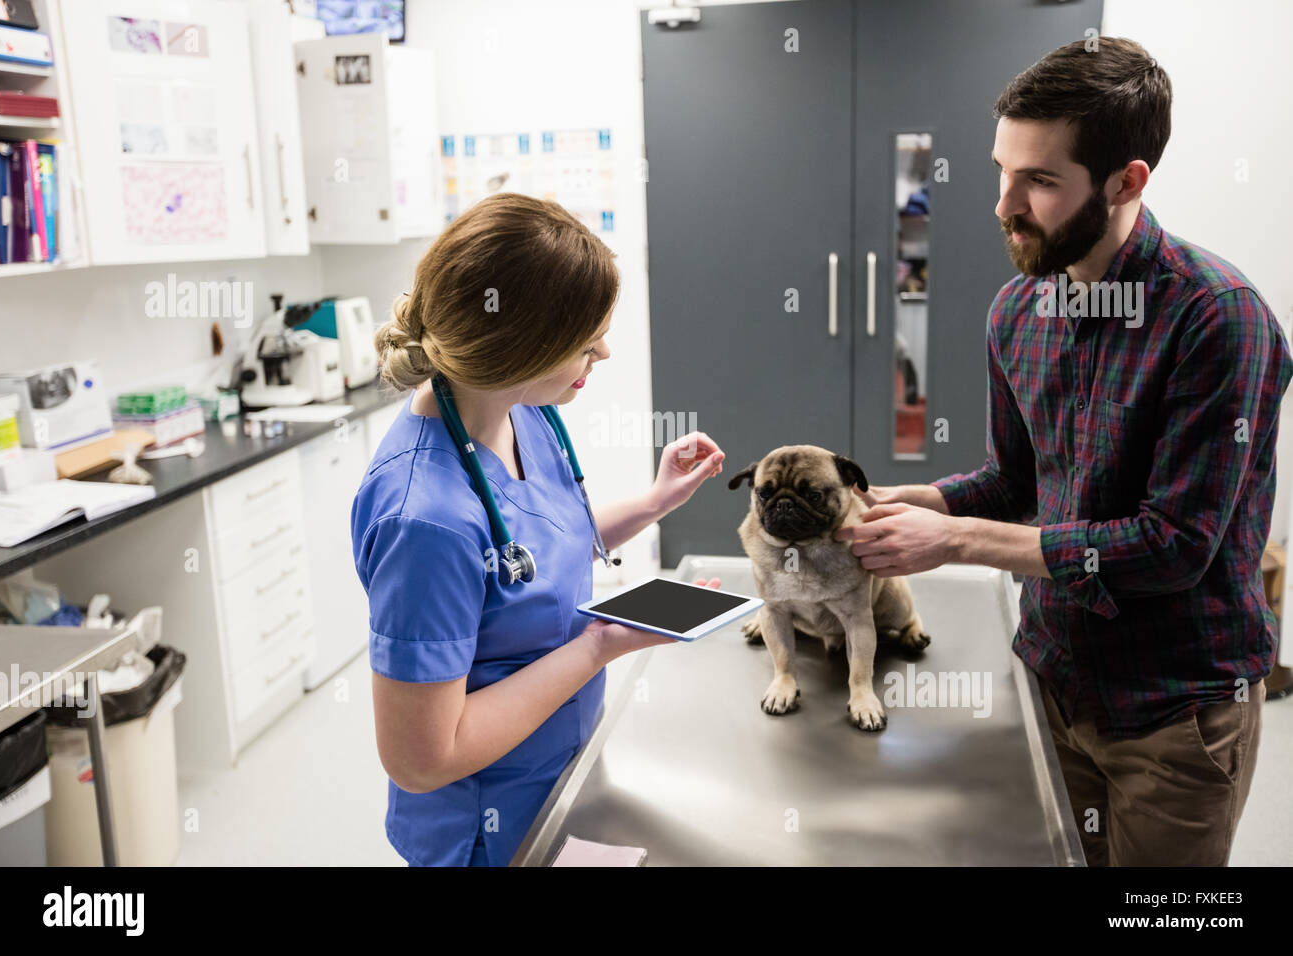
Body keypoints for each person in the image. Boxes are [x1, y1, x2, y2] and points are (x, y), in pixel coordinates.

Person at [834, 37, 1293, 866]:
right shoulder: (1017, 311)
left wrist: (960, 542)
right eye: (1001, 170)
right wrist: (924, 502)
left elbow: (1173, 548)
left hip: (1176, 712)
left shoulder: (1219, 320)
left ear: (1128, 180)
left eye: (1040, 181)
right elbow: (1015, 481)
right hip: (1051, 680)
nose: (1004, 204)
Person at [350, 193, 726, 866]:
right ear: (519, 347)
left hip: (560, 776)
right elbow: (420, 760)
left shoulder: (522, 413)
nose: (604, 352)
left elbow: (532, 557)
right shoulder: (424, 520)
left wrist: (653, 503)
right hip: (486, 833)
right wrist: (601, 644)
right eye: (586, 341)